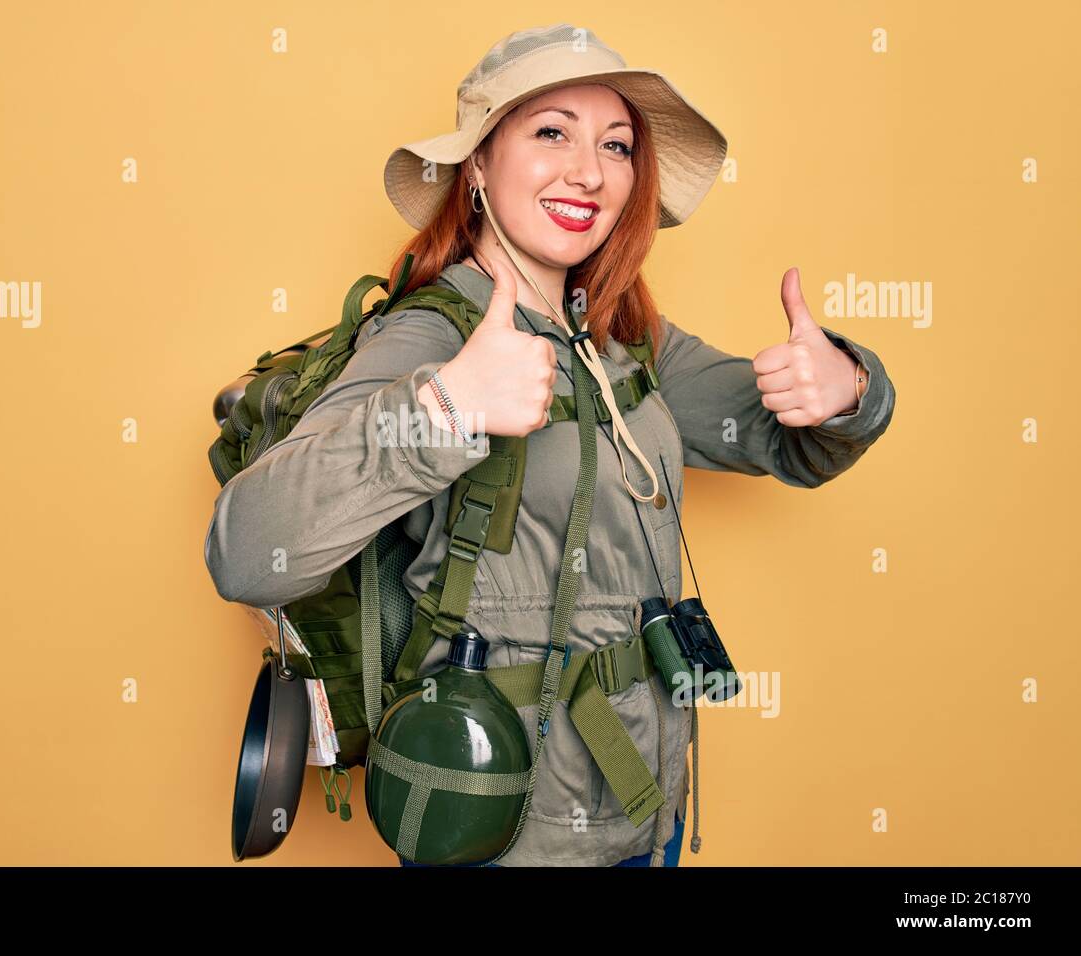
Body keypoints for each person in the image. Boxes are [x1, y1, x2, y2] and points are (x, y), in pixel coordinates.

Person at [206, 23, 896, 867]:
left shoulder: (625, 342)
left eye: (615, 144)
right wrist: (450, 406)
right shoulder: (428, 335)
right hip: (501, 829)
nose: (590, 171)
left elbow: (789, 444)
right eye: (551, 132)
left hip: (645, 809)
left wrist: (846, 389)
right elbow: (247, 552)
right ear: (479, 167)